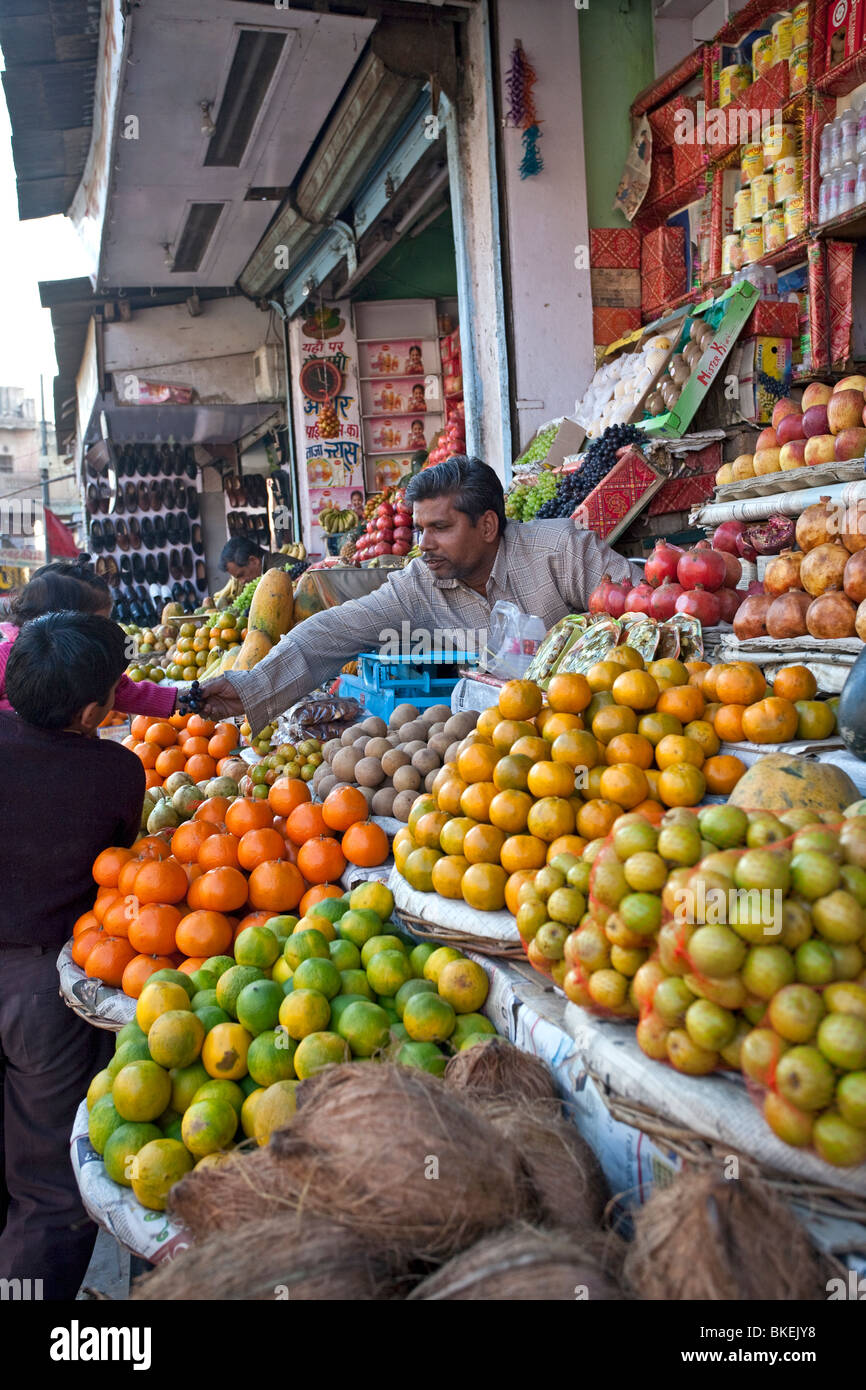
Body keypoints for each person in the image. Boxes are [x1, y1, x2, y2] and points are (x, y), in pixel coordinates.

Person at [200, 455, 640, 734]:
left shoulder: (559, 550)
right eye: (419, 528)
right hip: (514, 745)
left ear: (487, 526)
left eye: (440, 528)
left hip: (612, 726)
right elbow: (334, 632)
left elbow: (646, 618)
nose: (423, 543)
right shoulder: (421, 583)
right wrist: (254, 686)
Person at [0, 612, 146, 1299]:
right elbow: (117, 863)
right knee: (49, 1188)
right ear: (94, 710)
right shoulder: (115, 771)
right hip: (40, 993)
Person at [0, 557, 176, 718]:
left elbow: (119, 690)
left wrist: (183, 699)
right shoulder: (4, 658)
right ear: (60, 623)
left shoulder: (88, 659)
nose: (105, 631)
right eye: (100, 624)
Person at [219, 536, 288, 586]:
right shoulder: (267, 575)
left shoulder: (282, 574)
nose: (242, 582)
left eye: (241, 575)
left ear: (254, 561)